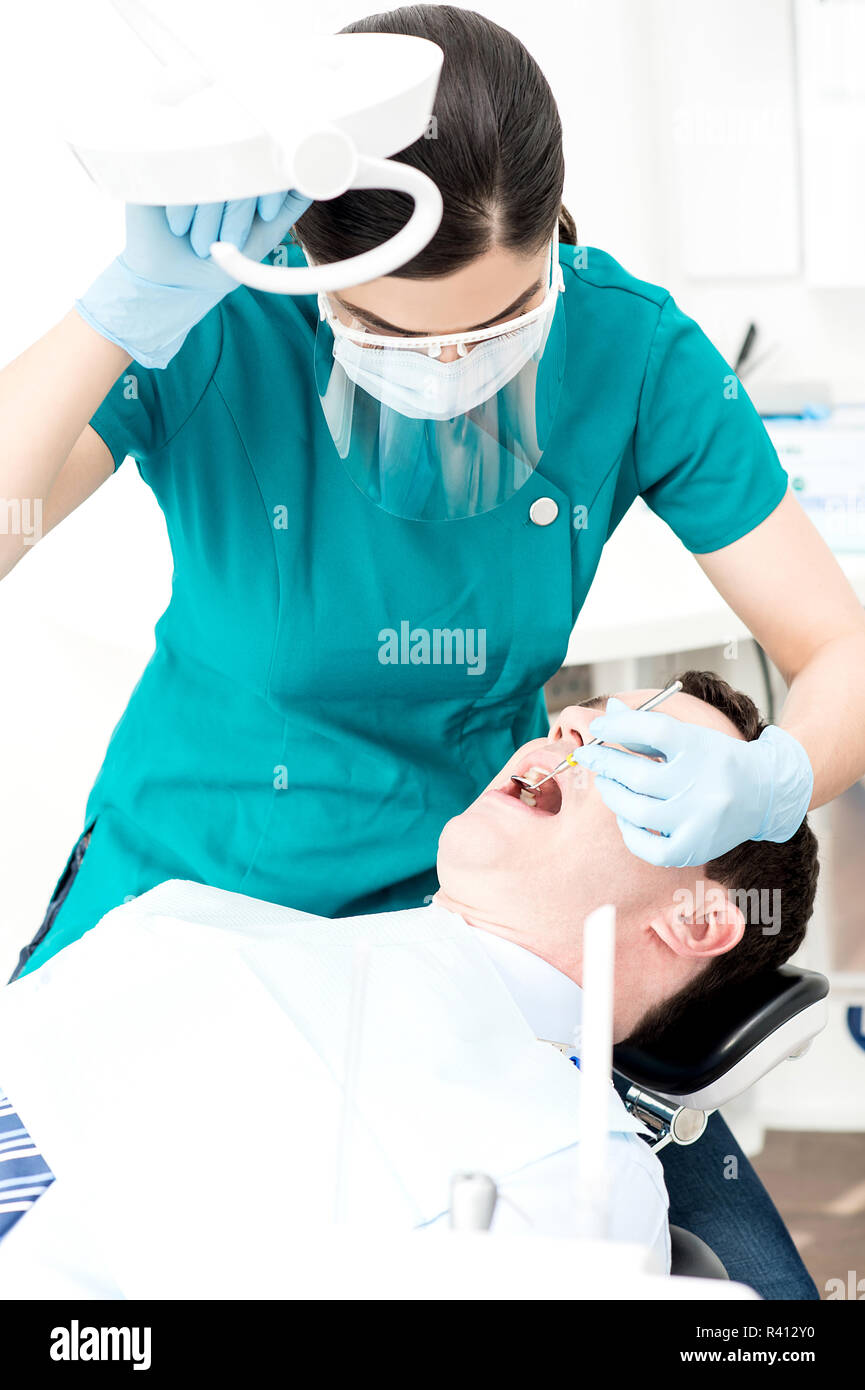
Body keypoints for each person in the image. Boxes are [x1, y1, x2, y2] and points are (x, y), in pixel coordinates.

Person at [0, 3, 853, 1294]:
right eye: (388, 329)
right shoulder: (219, 323)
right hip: (186, 872)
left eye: (498, 318)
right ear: (305, 259)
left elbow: (836, 642)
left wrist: (781, 770)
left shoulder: (630, 351)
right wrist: (114, 314)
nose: (444, 362)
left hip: (454, 913)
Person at [0, 672, 818, 1298]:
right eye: (588, 713)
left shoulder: (563, 1167)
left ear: (698, 920)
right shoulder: (204, 919)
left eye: (642, 752)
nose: (570, 724)